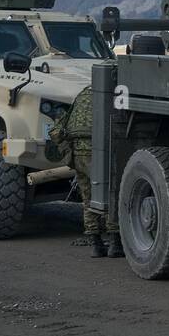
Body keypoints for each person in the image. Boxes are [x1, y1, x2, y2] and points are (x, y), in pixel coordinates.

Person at [52, 86, 122, 258]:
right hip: (97, 152)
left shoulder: (83, 93)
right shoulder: (113, 92)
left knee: (88, 199)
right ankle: (114, 243)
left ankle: (96, 245)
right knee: (110, 195)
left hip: (77, 153)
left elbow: (60, 126)